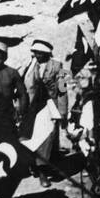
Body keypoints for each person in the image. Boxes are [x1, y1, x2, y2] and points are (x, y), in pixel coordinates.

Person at [21, 37, 69, 184]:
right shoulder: (30, 65)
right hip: (33, 107)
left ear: (47, 54)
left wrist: (63, 113)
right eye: (35, 52)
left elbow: (62, 90)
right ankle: (34, 165)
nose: (36, 55)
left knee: (47, 137)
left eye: (40, 53)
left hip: (50, 107)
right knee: (30, 137)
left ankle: (43, 170)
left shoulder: (58, 66)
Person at [0, 42, 28, 119]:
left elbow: (22, 93)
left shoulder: (12, 72)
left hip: (7, 112)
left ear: (5, 58)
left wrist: (21, 111)